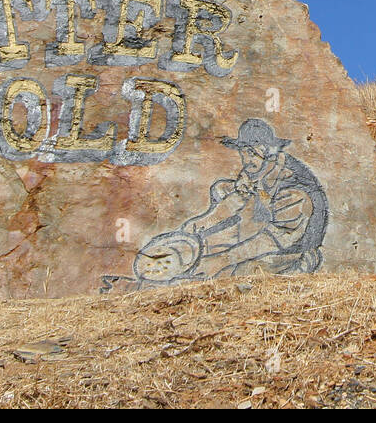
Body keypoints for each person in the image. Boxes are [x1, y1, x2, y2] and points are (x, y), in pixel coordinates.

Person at [100, 118, 328, 292]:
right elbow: (232, 204)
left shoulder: (294, 189)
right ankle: (158, 277)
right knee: (212, 235)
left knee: (233, 271)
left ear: (267, 152)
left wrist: (223, 259)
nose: (246, 160)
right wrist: (196, 230)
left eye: (252, 153)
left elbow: (274, 240)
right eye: (243, 153)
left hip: (291, 253)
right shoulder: (257, 171)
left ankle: (143, 289)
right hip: (258, 230)